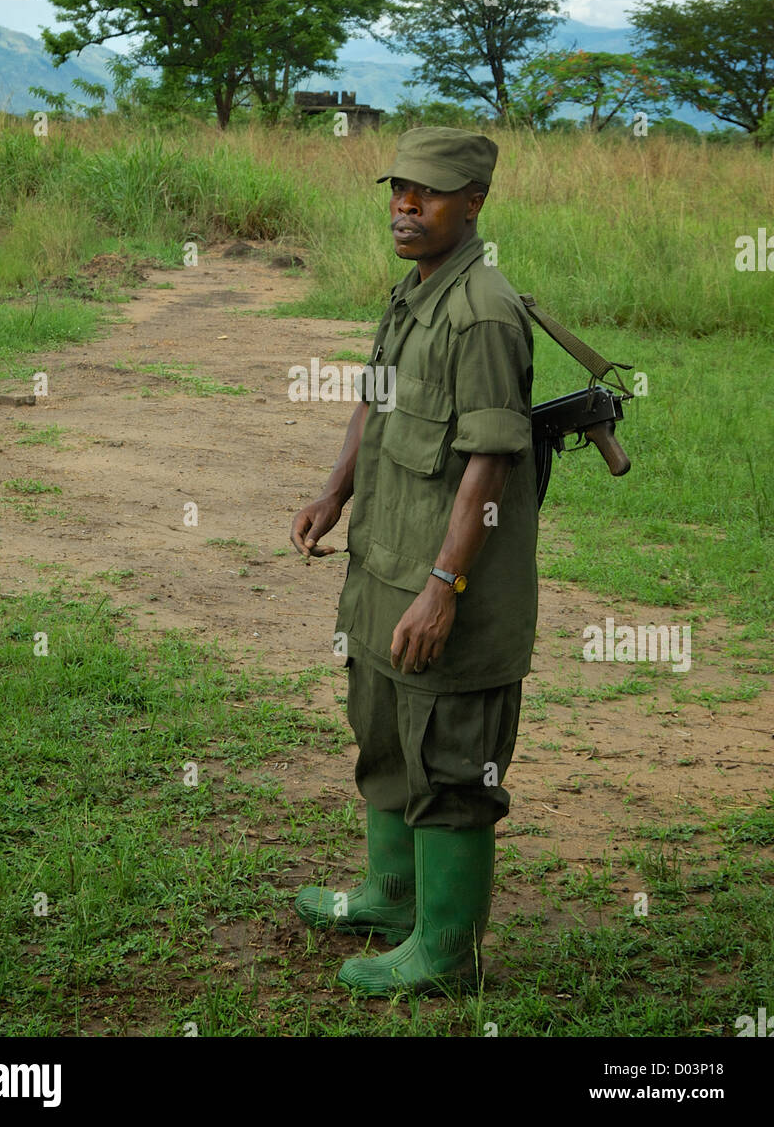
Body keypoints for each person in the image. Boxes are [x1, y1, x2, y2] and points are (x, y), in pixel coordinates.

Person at [289, 126, 539, 997]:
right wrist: (334, 493)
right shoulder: (415, 293)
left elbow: (489, 462)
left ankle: (446, 952)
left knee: (451, 764)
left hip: (447, 589)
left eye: (428, 192)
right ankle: (393, 901)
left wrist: (443, 588)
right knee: (387, 740)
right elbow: (376, 402)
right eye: (398, 188)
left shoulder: (482, 313)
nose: (406, 204)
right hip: (383, 566)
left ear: (473, 203)